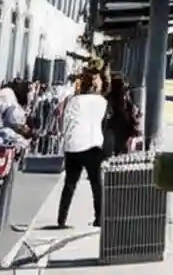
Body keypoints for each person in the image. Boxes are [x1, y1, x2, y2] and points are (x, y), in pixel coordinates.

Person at [57, 71, 107, 228]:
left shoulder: (74, 100)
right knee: (96, 183)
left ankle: (61, 218)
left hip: (72, 145)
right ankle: (99, 218)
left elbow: (65, 121)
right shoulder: (101, 101)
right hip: (92, 145)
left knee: (70, 183)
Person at [104, 76, 141, 156]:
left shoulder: (112, 97)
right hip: (123, 127)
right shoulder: (123, 97)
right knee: (121, 150)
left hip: (118, 127)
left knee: (119, 149)